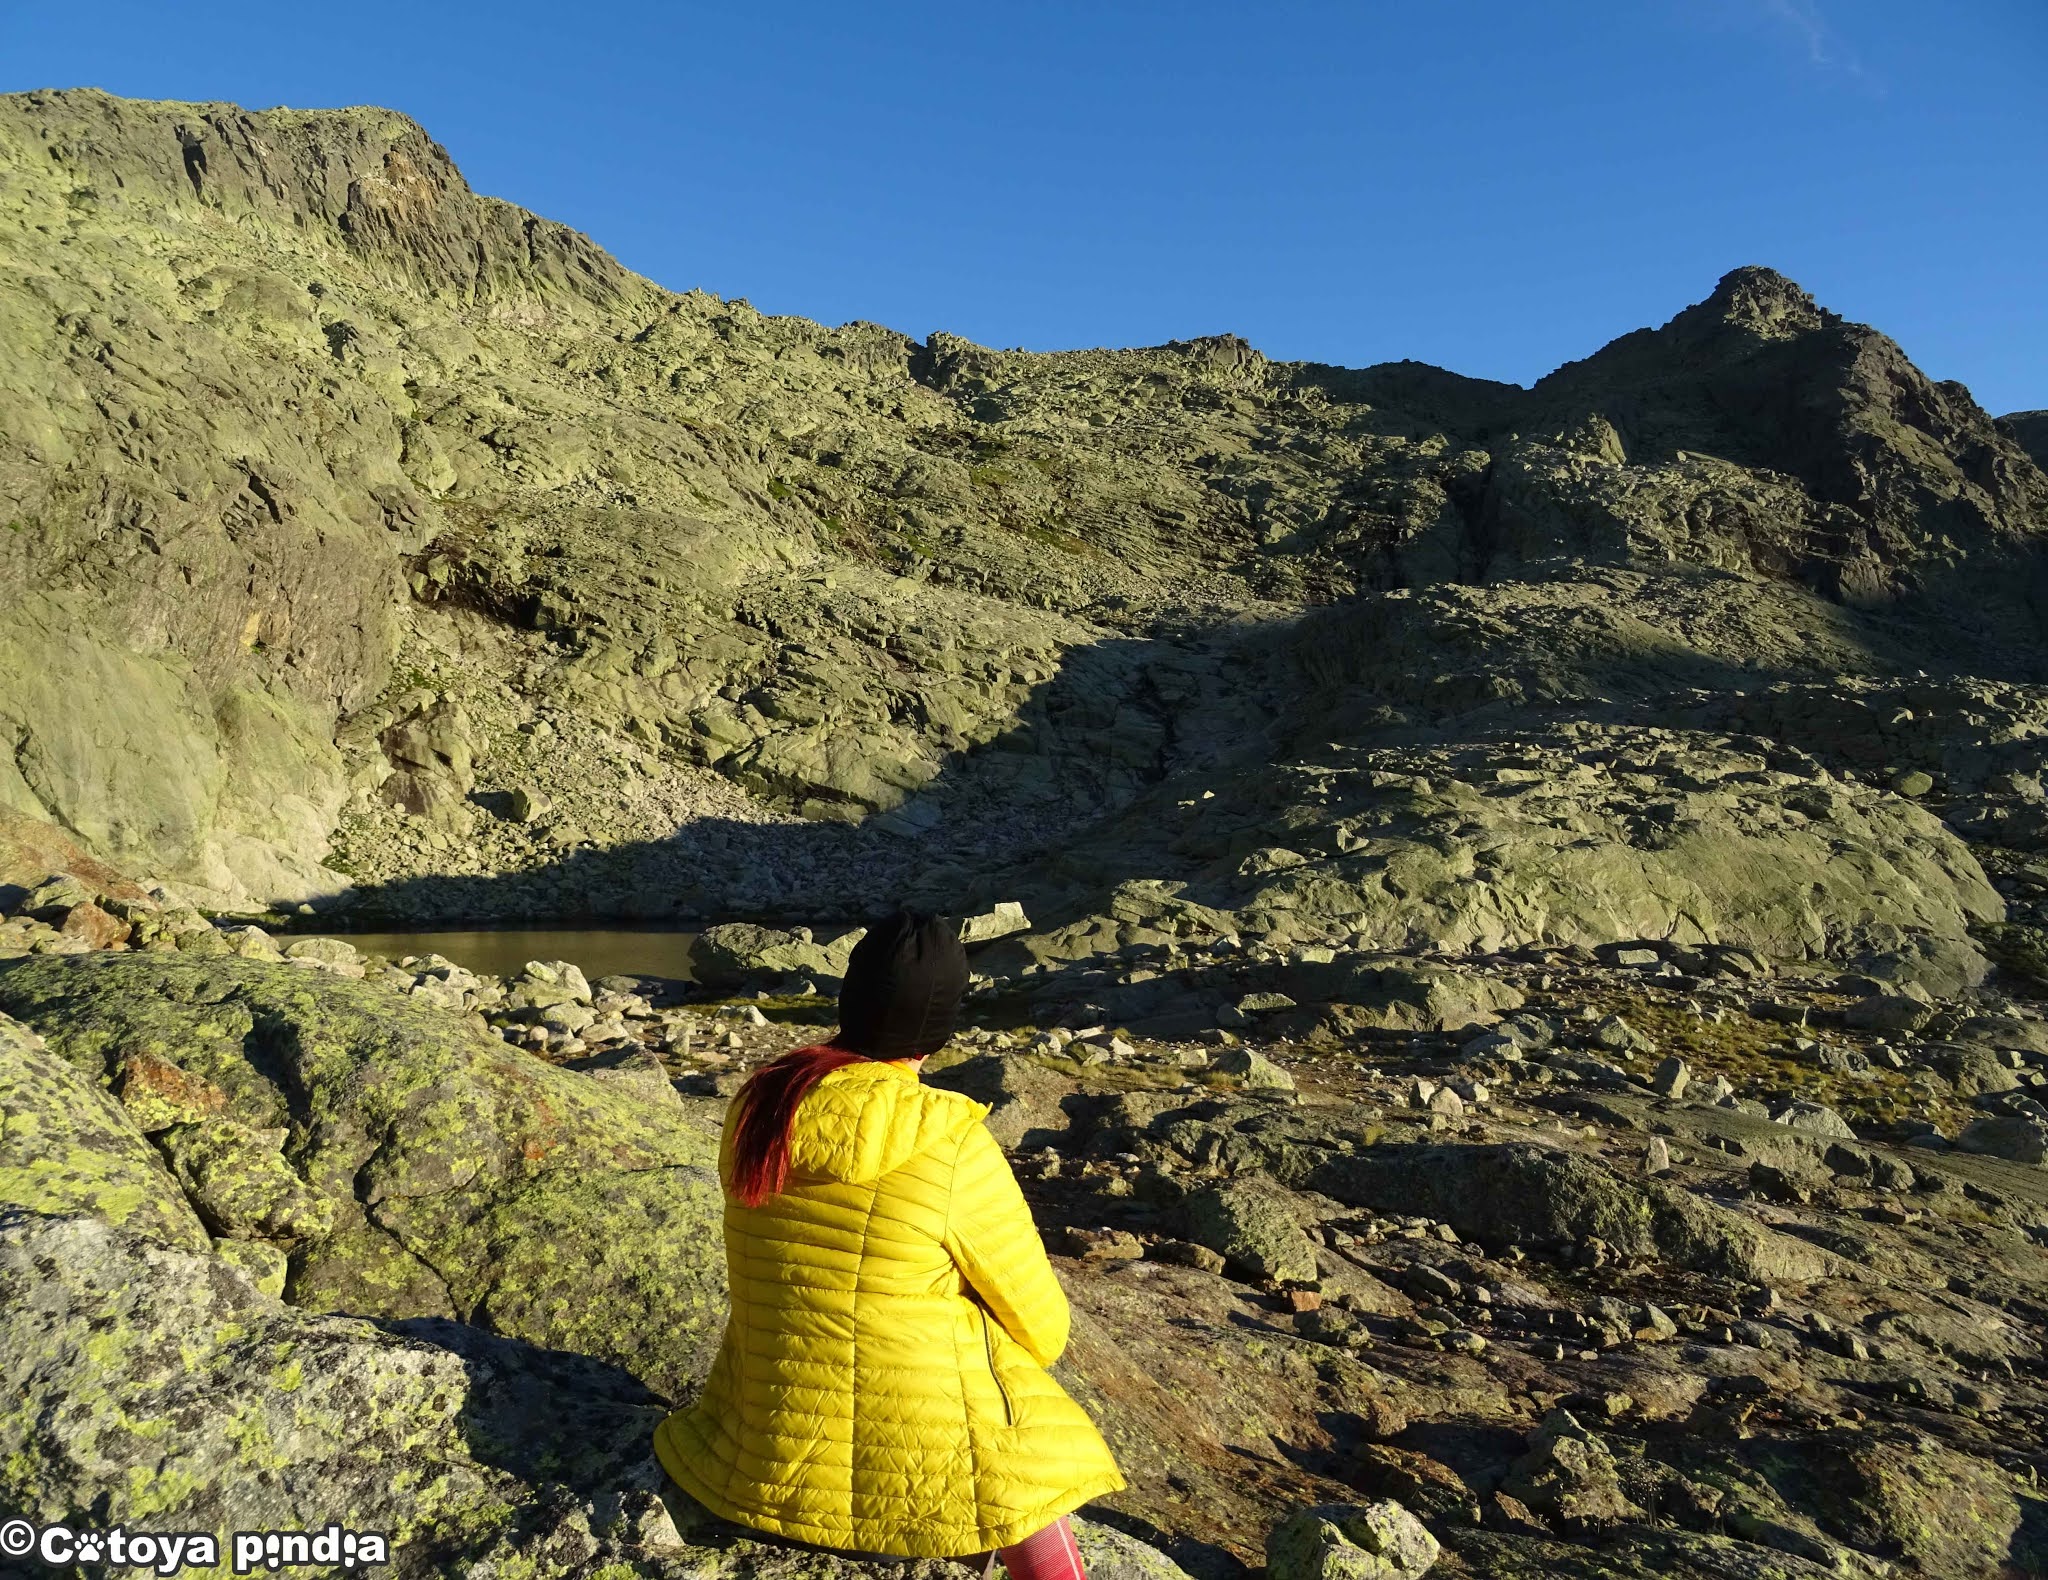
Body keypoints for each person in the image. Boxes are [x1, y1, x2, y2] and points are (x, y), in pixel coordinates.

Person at [652, 908, 1125, 1579]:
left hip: (755, 1440)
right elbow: (1043, 1329)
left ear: (852, 999)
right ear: (939, 1027)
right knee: (1029, 1446)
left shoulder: (762, 1103)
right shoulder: (947, 1134)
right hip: (904, 1460)